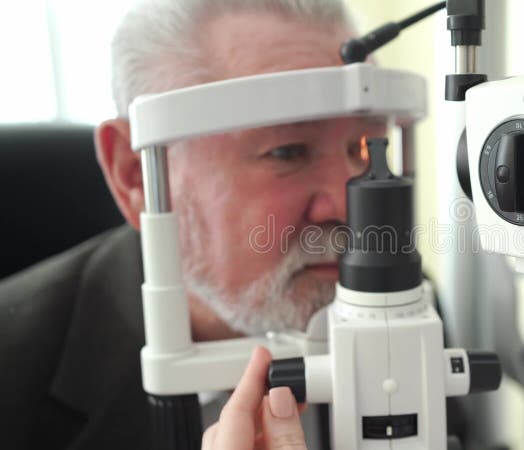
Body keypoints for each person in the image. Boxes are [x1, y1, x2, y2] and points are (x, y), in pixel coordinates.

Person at [0, 0, 390, 448]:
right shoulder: (12, 374)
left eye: (363, 149)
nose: (348, 204)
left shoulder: (402, 304)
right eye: (288, 151)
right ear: (135, 175)